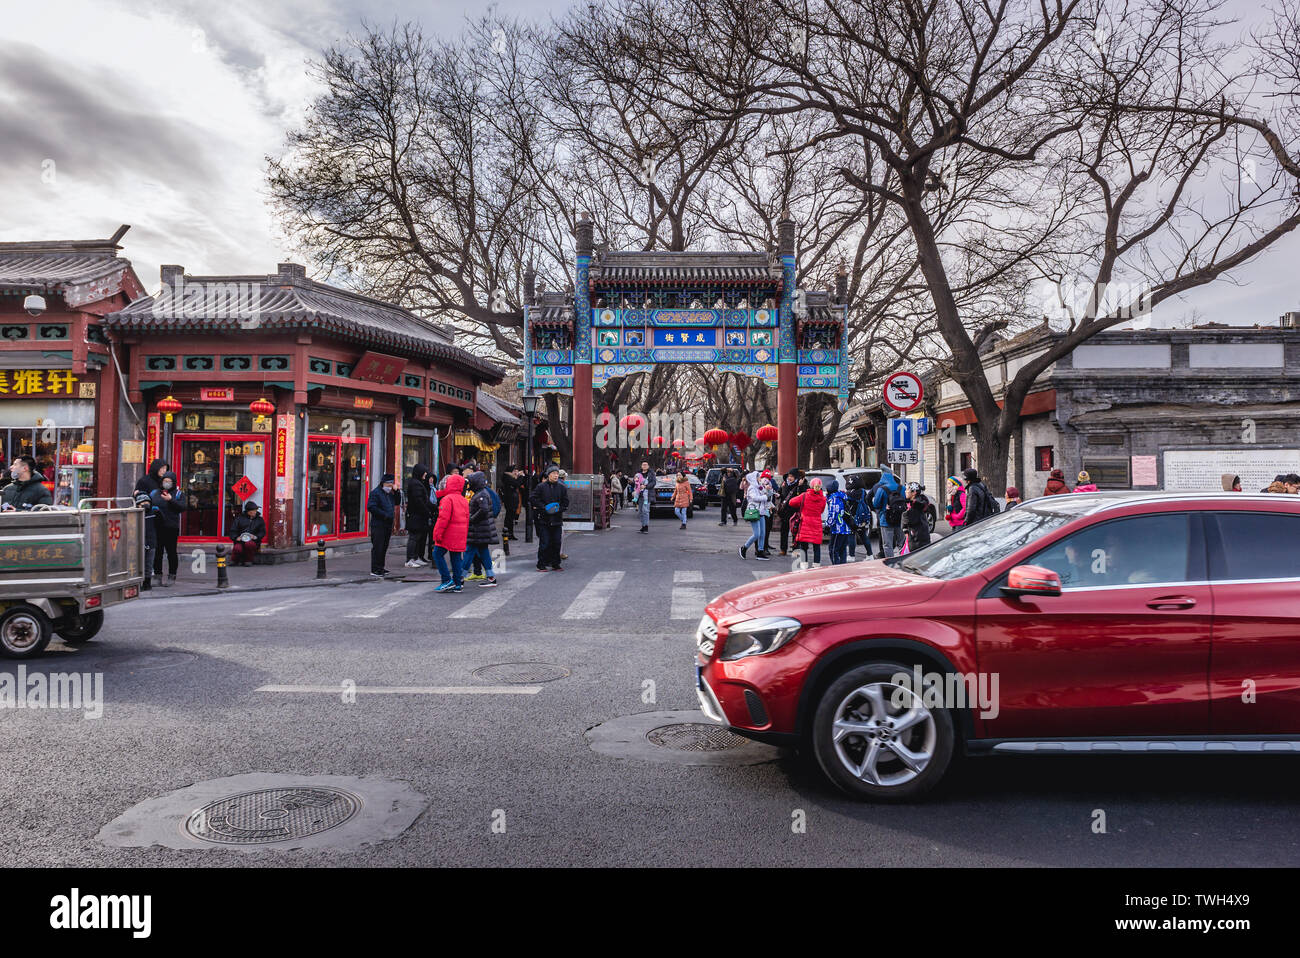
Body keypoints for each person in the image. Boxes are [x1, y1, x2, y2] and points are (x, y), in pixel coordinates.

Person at [431, 473, 469, 592]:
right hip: (460, 534)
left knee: (437, 554)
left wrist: (437, 533)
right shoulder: (463, 500)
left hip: (448, 534)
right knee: (456, 558)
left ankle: (446, 580)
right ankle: (458, 583)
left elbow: (443, 519)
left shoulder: (447, 499)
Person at [149, 471, 186, 585]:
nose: (166, 483)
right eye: (165, 481)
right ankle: (157, 576)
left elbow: (182, 507)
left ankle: (172, 576)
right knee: (157, 552)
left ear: (173, 483)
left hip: (171, 527)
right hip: (156, 526)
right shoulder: (155, 493)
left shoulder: (178, 494)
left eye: (169, 482)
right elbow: (148, 504)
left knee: (171, 552)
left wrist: (171, 500)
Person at [464, 471, 499, 587]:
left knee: (469, 552)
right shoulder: (481, 493)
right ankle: (491, 577)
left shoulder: (481, 494)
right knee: (483, 552)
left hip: (478, 530)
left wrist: (471, 519)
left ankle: (459, 577)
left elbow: (483, 510)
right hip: (481, 529)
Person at [530, 465, 568, 570]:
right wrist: (543, 507)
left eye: (557, 474)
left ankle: (556, 563)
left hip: (557, 520)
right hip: (544, 520)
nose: (556, 476)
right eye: (553, 474)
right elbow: (532, 498)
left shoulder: (562, 488)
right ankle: (541, 564)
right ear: (548, 475)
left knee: (557, 543)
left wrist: (559, 509)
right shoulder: (541, 487)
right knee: (545, 543)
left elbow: (565, 502)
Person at [366, 473, 399, 578]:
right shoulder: (375, 493)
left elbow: (397, 502)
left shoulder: (389, 494)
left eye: (391, 485)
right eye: (389, 485)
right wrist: (384, 515)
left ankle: (381, 567)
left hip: (387, 524)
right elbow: (371, 507)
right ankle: (375, 569)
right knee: (378, 547)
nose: (390, 487)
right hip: (378, 524)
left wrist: (396, 491)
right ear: (384, 483)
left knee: (384, 546)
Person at [788, 476, 827, 566]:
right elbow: (821, 510)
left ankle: (804, 565)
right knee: (816, 546)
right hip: (816, 524)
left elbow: (791, 502)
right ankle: (816, 565)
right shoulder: (823, 499)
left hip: (805, 524)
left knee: (804, 546)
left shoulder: (804, 496)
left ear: (811, 485)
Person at [738, 471, 772, 560]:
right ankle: (744, 548)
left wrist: (767, 490)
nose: (760, 478)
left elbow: (766, 495)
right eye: (758, 477)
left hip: (761, 512)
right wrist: (765, 497)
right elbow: (754, 498)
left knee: (763, 534)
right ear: (754, 478)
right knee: (757, 534)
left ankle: (760, 552)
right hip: (754, 512)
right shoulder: (752, 488)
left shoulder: (759, 487)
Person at [871, 470, 905, 558]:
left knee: (887, 544)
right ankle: (903, 559)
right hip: (900, 519)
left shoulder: (881, 489)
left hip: (885, 520)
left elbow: (876, 504)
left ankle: (891, 561)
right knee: (901, 542)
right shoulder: (902, 488)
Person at [404, 464, 432, 568]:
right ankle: (410, 559)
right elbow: (419, 501)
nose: (426, 474)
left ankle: (415, 557)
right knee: (414, 537)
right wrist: (427, 511)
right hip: (416, 516)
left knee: (418, 537)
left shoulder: (418, 483)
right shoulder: (416, 484)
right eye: (424, 472)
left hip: (418, 516)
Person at [824, 478, 853, 565]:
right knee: (842, 549)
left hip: (838, 528)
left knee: (833, 549)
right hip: (846, 527)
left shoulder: (834, 499)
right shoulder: (841, 496)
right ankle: (842, 566)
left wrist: (827, 525)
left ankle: (836, 567)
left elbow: (833, 514)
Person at [229, 501, 266, 566]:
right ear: (248, 511)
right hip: (240, 541)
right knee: (237, 548)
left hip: (253, 541)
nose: (255, 512)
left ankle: (248, 560)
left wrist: (255, 537)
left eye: (255, 510)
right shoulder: (239, 519)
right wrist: (236, 537)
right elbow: (233, 530)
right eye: (253, 510)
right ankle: (234, 560)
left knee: (249, 544)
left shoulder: (260, 519)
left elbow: (262, 532)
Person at [134, 491, 157, 590]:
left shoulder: (153, 514)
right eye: (142, 504)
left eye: (147, 503)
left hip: (151, 542)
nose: (145, 506)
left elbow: (161, 524)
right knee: (139, 564)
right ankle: (139, 583)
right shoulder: (135, 515)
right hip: (138, 543)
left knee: (149, 564)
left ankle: (147, 583)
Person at [901, 482, 931, 553]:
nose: (905, 491)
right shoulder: (911, 503)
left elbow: (909, 519)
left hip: (918, 540)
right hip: (914, 537)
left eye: (907, 490)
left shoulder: (917, 506)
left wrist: (905, 516)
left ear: (914, 492)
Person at [634, 460, 655, 533]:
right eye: (643, 465)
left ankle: (646, 527)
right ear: (641, 466)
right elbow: (636, 482)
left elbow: (653, 483)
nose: (644, 466)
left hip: (647, 495)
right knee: (640, 512)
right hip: (639, 495)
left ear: (648, 466)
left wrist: (645, 486)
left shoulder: (651, 474)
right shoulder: (638, 474)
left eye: (646, 465)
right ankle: (643, 526)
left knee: (645, 511)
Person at [500, 467, 521, 539]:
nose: (515, 472)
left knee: (510, 517)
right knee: (509, 517)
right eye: (514, 471)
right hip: (510, 501)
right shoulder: (507, 478)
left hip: (512, 500)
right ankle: (508, 533)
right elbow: (517, 483)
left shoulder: (510, 477)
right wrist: (520, 477)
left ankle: (509, 533)